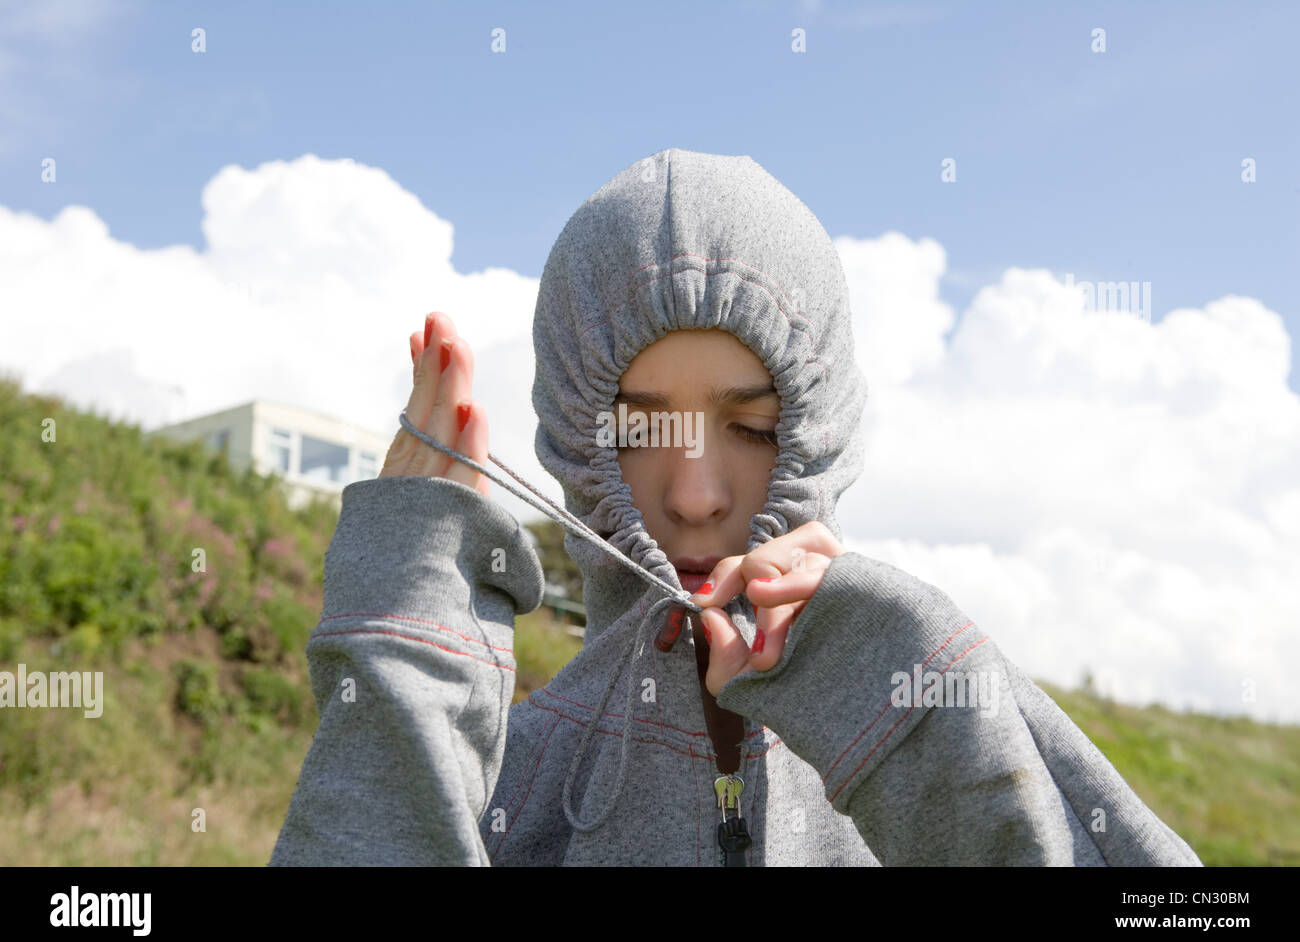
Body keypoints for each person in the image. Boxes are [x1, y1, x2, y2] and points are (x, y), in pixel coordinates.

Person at [269, 148, 1202, 866]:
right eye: (637, 431)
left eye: (751, 427)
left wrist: (921, 724)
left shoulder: (945, 721)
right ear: (569, 436)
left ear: (823, 429)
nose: (695, 495)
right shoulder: (492, 792)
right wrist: (399, 691)